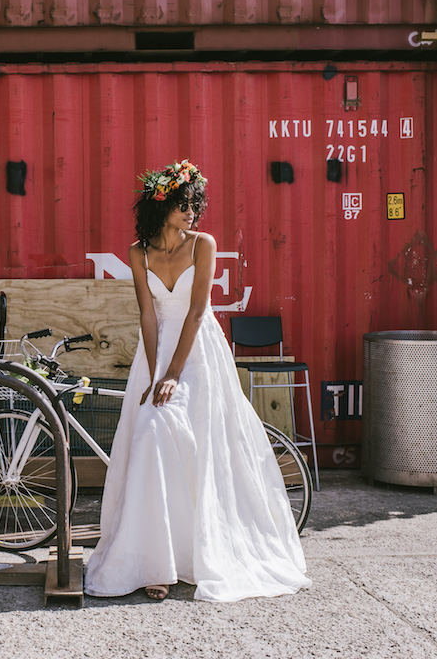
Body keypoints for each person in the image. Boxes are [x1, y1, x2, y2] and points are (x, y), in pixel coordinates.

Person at [84, 161, 310, 602]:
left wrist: (172, 374)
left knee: (192, 442)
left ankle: (192, 553)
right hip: (158, 351)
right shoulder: (138, 253)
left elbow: (196, 311)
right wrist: (152, 374)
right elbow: (148, 315)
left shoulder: (203, 245)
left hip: (197, 352)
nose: (191, 212)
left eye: (194, 204)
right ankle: (155, 560)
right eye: (182, 204)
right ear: (160, 205)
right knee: (150, 433)